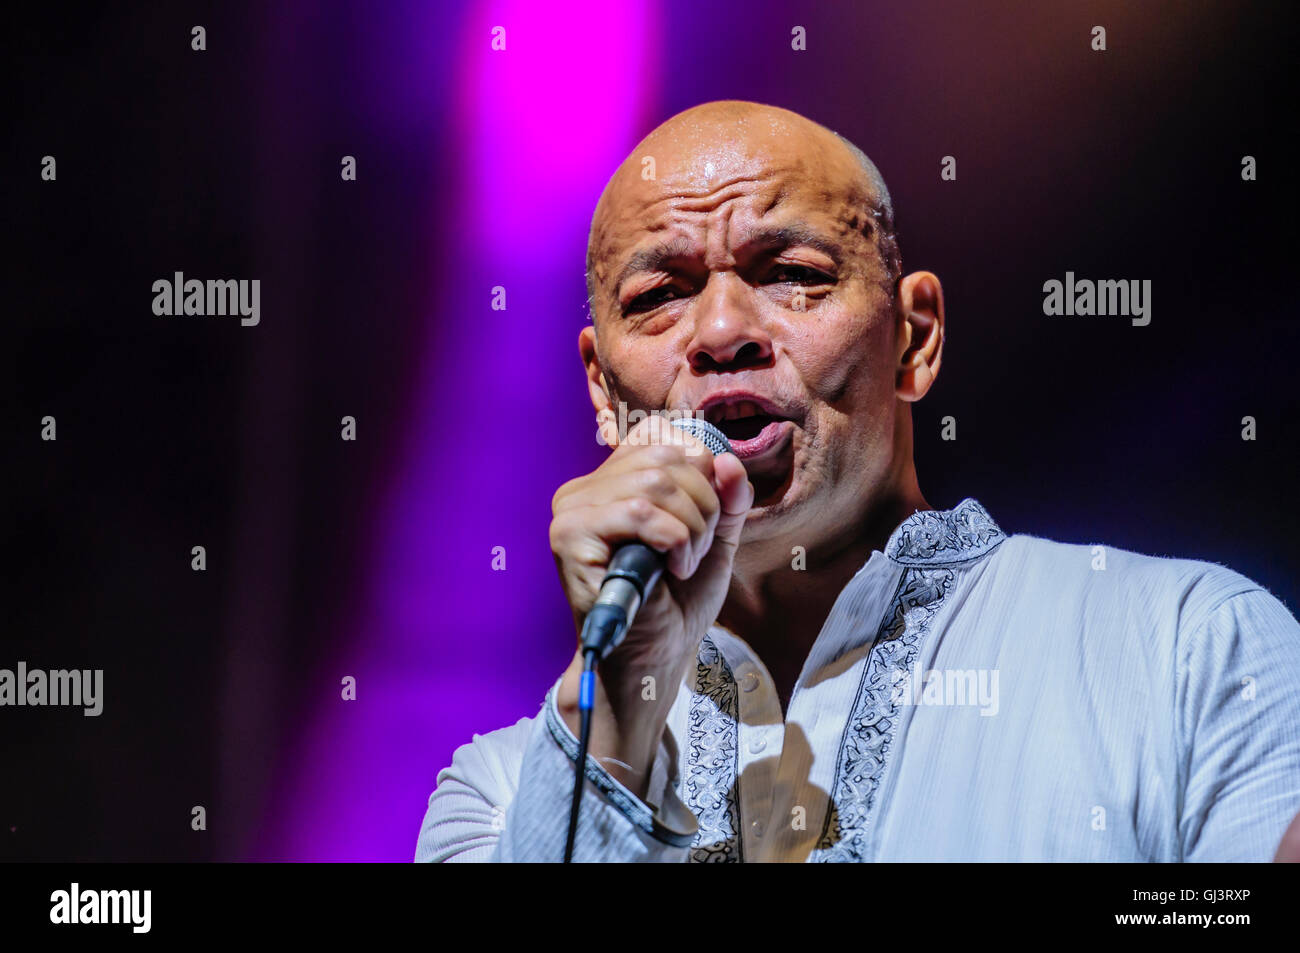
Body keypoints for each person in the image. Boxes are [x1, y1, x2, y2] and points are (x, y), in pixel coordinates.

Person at [416, 100, 1300, 862]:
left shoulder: (1188, 650)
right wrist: (618, 706)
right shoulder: (497, 792)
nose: (722, 330)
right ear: (602, 391)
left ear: (914, 337)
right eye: (658, 294)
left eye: (794, 275)